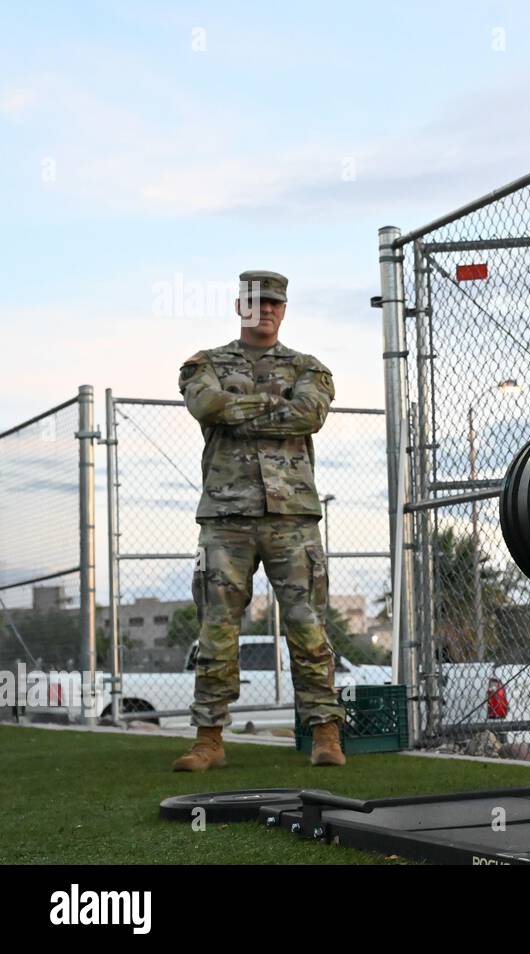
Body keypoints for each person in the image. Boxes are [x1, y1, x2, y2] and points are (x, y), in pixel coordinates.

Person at [171, 270, 347, 771]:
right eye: (255, 302)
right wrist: (274, 406)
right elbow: (206, 403)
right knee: (216, 625)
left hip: (292, 517)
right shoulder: (203, 363)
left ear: (284, 310)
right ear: (239, 306)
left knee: (307, 623)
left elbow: (308, 416)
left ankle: (325, 733)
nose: (264, 310)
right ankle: (209, 738)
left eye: (272, 303)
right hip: (226, 517)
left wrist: (235, 411)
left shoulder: (309, 368)